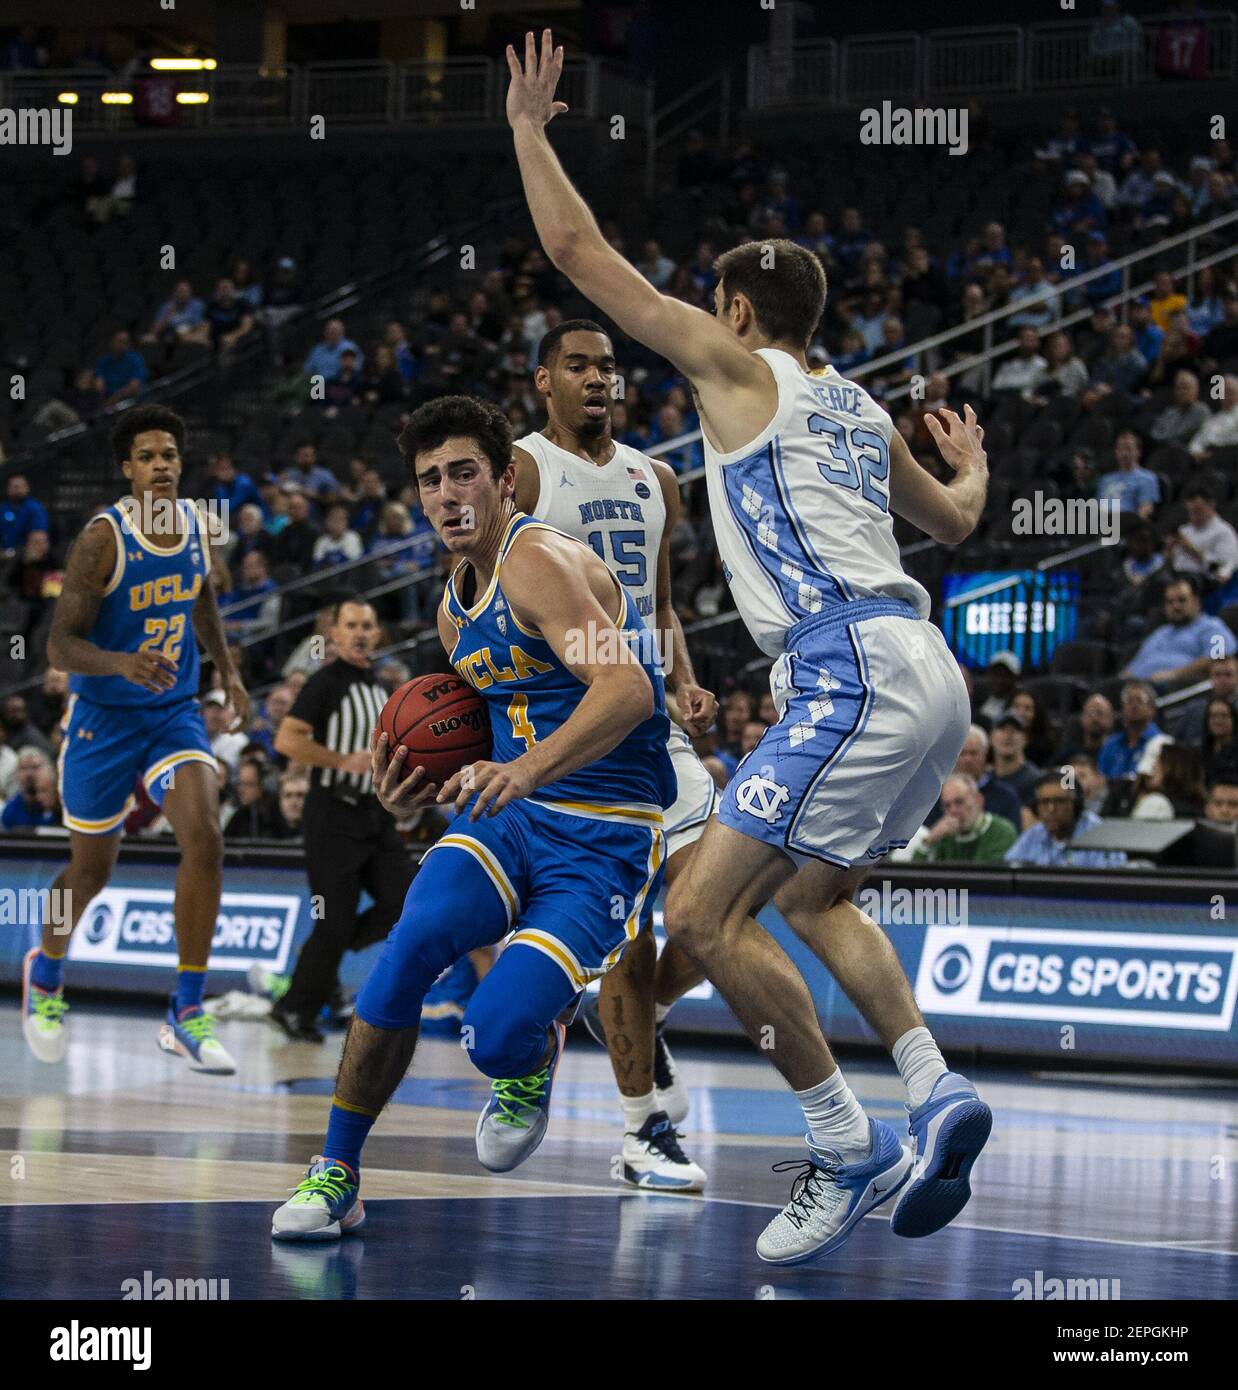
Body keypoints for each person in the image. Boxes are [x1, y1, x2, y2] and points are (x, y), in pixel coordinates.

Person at [503, 29, 991, 1264]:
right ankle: (934, 1088)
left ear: (732, 310)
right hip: (927, 673)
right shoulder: (859, 404)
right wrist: (975, 467)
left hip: (843, 666)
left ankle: (841, 1141)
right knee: (815, 893)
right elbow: (951, 522)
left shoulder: (734, 370)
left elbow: (577, 253)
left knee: (702, 911)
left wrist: (526, 128)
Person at [271, 394, 676, 1239]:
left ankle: (526, 1061)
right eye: (429, 480)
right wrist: (414, 790)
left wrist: (524, 769)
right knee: (410, 945)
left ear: (504, 483)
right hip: (515, 819)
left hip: (603, 831)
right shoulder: (453, 603)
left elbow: (630, 688)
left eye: (464, 473)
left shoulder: (540, 563)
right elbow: (491, 729)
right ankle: (336, 1170)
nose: (448, 493)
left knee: (495, 1037)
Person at [508, 318, 714, 1190]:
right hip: (582, 728)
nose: (599, 379)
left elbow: (661, 607)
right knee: (628, 941)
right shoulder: (519, 468)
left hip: (653, 720)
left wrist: (685, 681)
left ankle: (632, 1015)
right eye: (579, 366)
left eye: (608, 367)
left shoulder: (655, 477)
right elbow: (489, 595)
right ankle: (642, 1133)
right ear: (543, 380)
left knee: (717, 908)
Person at [23, 405, 247, 1072]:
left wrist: (228, 674)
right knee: (92, 870)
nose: (162, 466)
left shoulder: (201, 526)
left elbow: (200, 597)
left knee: (205, 835)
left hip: (171, 712)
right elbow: (58, 644)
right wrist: (119, 662)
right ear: (127, 469)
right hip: (102, 721)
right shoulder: (102, 539)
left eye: (171, 455)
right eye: (148, 456)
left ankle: (186, 1006)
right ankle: (48, 969)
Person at [262, 600, 415, 1042]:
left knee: (407, 899)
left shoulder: (377, 684)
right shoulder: (323, 683)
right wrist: (338, 760)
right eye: (352, 626)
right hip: (332, 816)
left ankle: (321, 963)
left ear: (378, 632)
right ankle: (294, 1009)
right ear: (335, 634)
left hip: (374, 818)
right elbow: (286, 739)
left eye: (368, 625)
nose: (361, 633)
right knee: (333, 920)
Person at [1123, 577, 1236, 688]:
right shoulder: (1160, 632)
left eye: (1182, 600)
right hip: (1135, 688)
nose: (1175, 606)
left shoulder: (1211, 626)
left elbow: (1219, 657)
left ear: (1196, 602)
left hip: (1173, 689)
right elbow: (1132, 668)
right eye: (1170, 602)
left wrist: (1175, 674)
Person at [1006, 769, 1127, 867]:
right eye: (1044, 802)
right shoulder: (1033, 835)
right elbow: (1009, 869)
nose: (1051, 809)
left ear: (1077, 805)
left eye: (1059, 801)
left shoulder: (1101, 836)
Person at [910, 774, 1017, 863]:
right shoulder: (943, 836)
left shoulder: (1002, 832)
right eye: (947, 805)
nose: (953, 811)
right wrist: (929, 841)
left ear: (978, 800)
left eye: (959, 802)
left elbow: (988, 878)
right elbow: (916, 878)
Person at [1132, 743, 1207, 820]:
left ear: (1174, 768)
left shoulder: (1157, 803)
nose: (1153, 766)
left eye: (1159, 761)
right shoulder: (1198, 807)